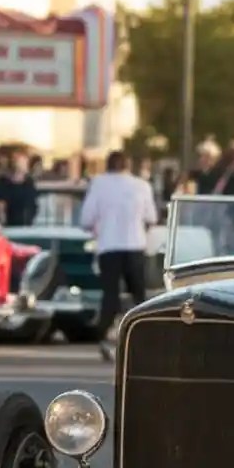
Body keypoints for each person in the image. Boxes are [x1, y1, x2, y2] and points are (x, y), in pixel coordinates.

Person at [80, 151, 157, 361]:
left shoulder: (99, 184)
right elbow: (151, 217)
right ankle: (147, 336)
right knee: (138, 295)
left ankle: (104, 337)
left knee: (110, 295)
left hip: (109, 245)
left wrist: (101, 225)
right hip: (135, 244)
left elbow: (86, 219)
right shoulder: (141, 185)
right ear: (128, 165)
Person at [0, 150, 38, 226]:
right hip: (9, 227)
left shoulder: (29, 183)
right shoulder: (2, 183)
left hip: (28, 227)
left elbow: (32, 205)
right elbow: (0, 208)